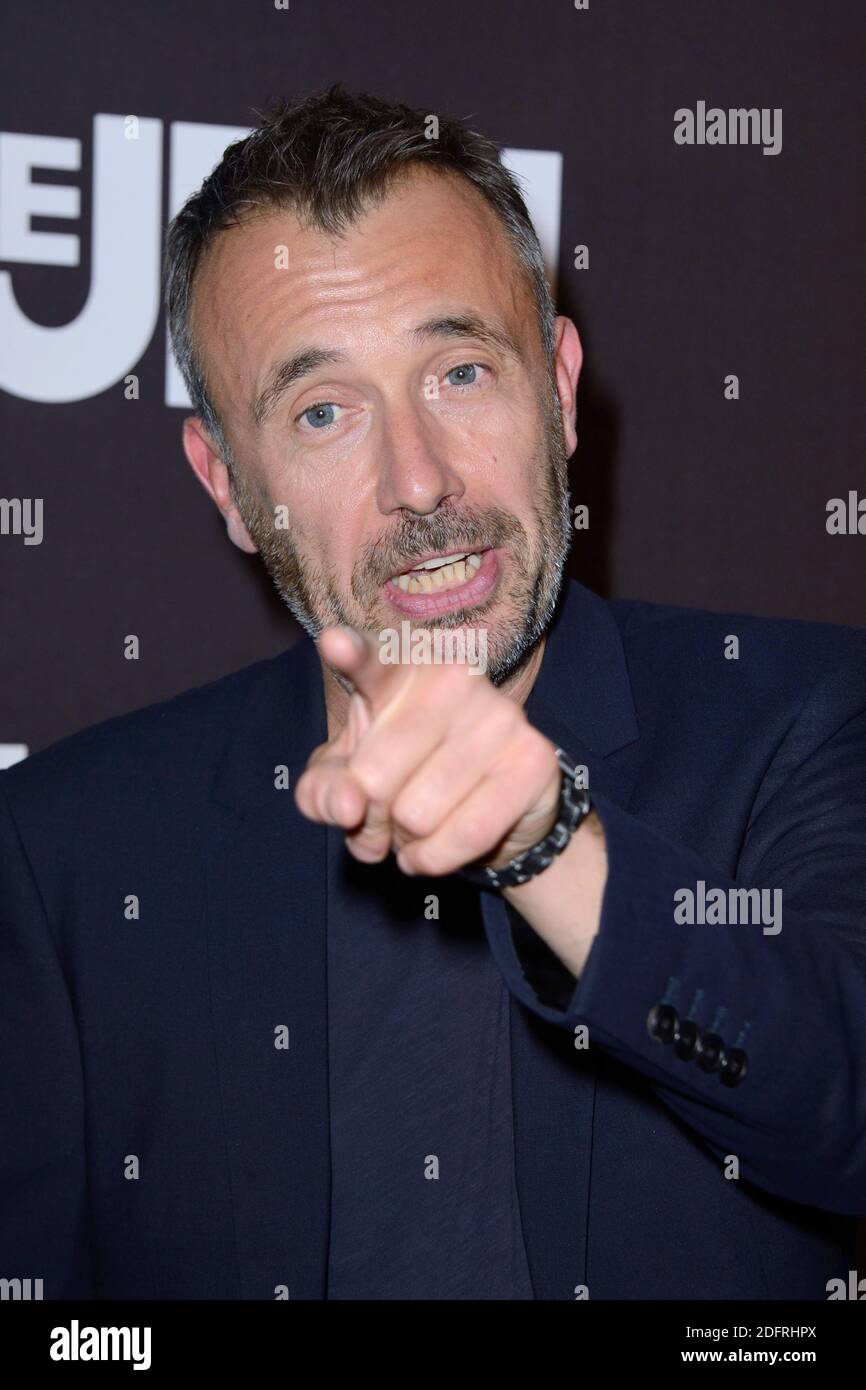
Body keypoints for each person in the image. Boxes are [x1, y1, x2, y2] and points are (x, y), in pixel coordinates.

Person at [2, 85, 864, 1301]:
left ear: (558, 390)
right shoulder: (67, 850)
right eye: (322, 411)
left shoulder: (798, 716)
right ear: (231, 489)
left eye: (459, 372)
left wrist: (546, 839)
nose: (417, 481)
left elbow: (843, 1107)